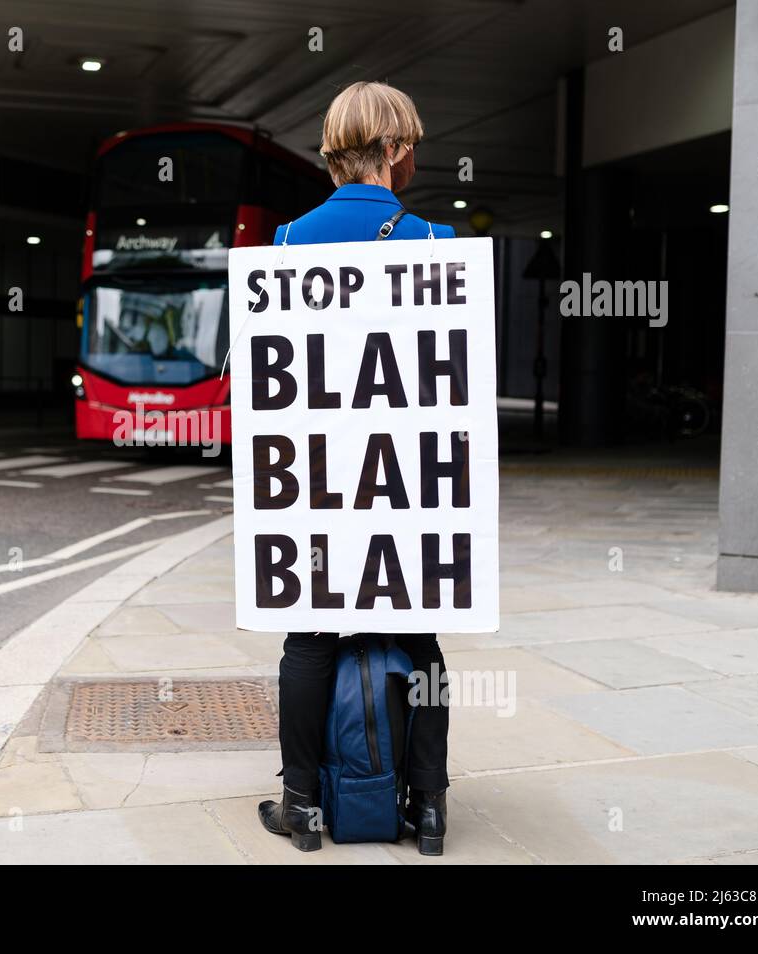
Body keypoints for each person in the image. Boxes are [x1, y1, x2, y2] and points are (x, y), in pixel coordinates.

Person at [256, 81, 457, 855]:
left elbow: (259, 375)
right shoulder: (436, 244)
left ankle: (303, 806)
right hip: (407, 483)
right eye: (416, 147)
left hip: (314, 481)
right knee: (420, 639)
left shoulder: (283, 247)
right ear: (397, 150)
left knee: (309, 638)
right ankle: (428, 810)